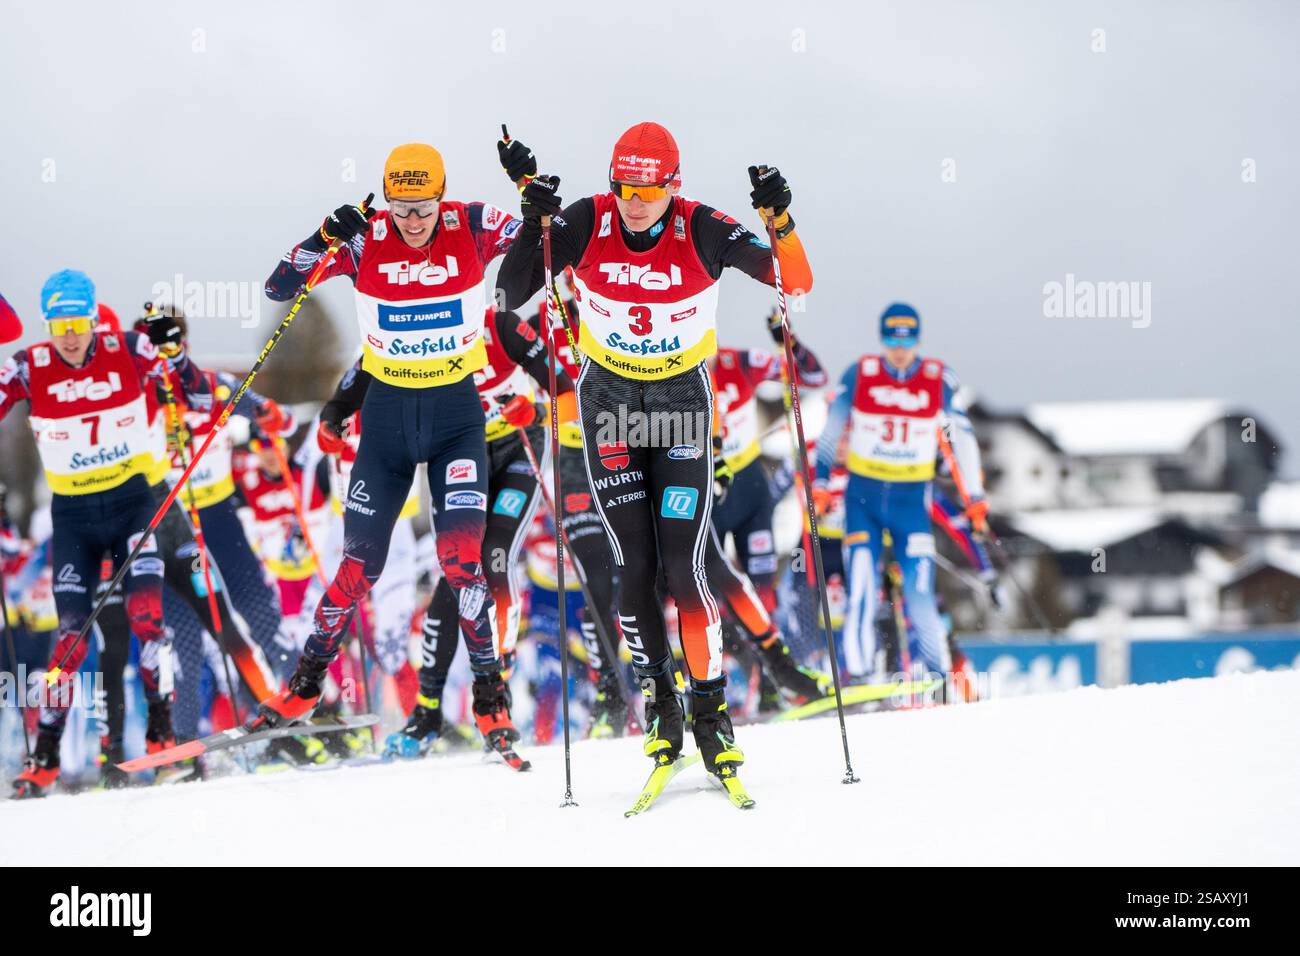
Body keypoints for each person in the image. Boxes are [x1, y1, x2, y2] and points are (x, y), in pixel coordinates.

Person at [496, 121, 812, 780]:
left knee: (686, 567)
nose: (633, 201)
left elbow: (795, 282)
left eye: (647, 189)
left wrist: (779, 220)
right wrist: (536, 224)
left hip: (678, 409)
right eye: (623, 187)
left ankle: (710, 712)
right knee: (633, 568)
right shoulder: (586, 220)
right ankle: (661, 705)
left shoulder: (701, 227)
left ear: (673, 184)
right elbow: (509, 294)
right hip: (609, 404)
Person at [260, 143, 524, 755]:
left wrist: (533, 198)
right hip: (386, 424)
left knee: (462, 557)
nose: (412, 221)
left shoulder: (474, 224)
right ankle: (304, 684)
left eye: (423, 207)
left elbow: (550, 242)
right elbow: (281, 285)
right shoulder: (364, 239)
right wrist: (325, 233)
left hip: (458, 418)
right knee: (359, 567)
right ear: (387, 199)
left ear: (442, 196)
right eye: (401, 207)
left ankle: (489, 694)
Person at [1, 270, 210, 798]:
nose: (70, 336)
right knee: (69, 638)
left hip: (132, 507)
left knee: (146, 619)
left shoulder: (132, 348)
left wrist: (175, 352)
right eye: (58, 325)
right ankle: (45, 758)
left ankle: (163, 740)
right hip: (72, 516)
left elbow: (199, 395)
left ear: (95, 319)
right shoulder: (29, 365)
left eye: (79, 323)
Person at [813, 303, 987, 682]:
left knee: (920, 590)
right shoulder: (862, 373)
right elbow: (830, 432)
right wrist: (822, 483)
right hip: (864, 498)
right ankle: (858, 674)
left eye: (906, 338)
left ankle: (939, 674)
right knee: (862, 584)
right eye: (891, 337)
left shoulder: (938, 378)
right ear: (882, 338)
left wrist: (974, 496)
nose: (899, 347)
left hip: (911, 502)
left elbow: (964, 439)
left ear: (917, 339)